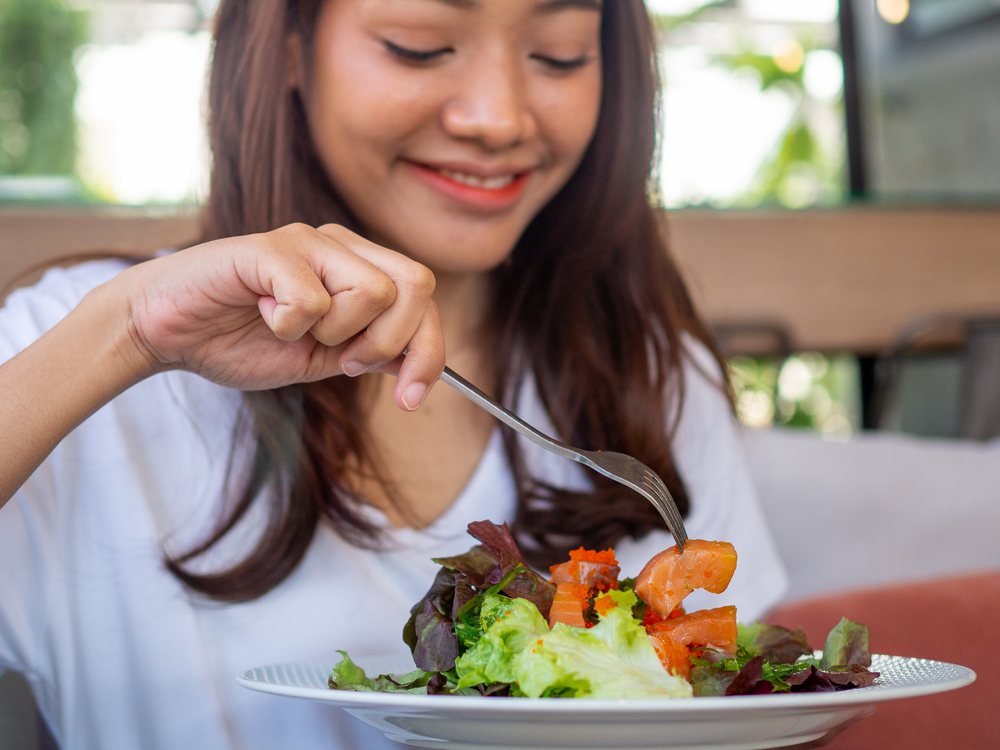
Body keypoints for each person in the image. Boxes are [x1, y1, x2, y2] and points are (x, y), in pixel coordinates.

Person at [0, 0, 788, 747]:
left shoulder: (649, 371)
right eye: (419, 43)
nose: (499, 118)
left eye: (559, 55)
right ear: (289, 49)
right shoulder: (76, 341)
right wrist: (127, 336)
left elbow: (746, 705)